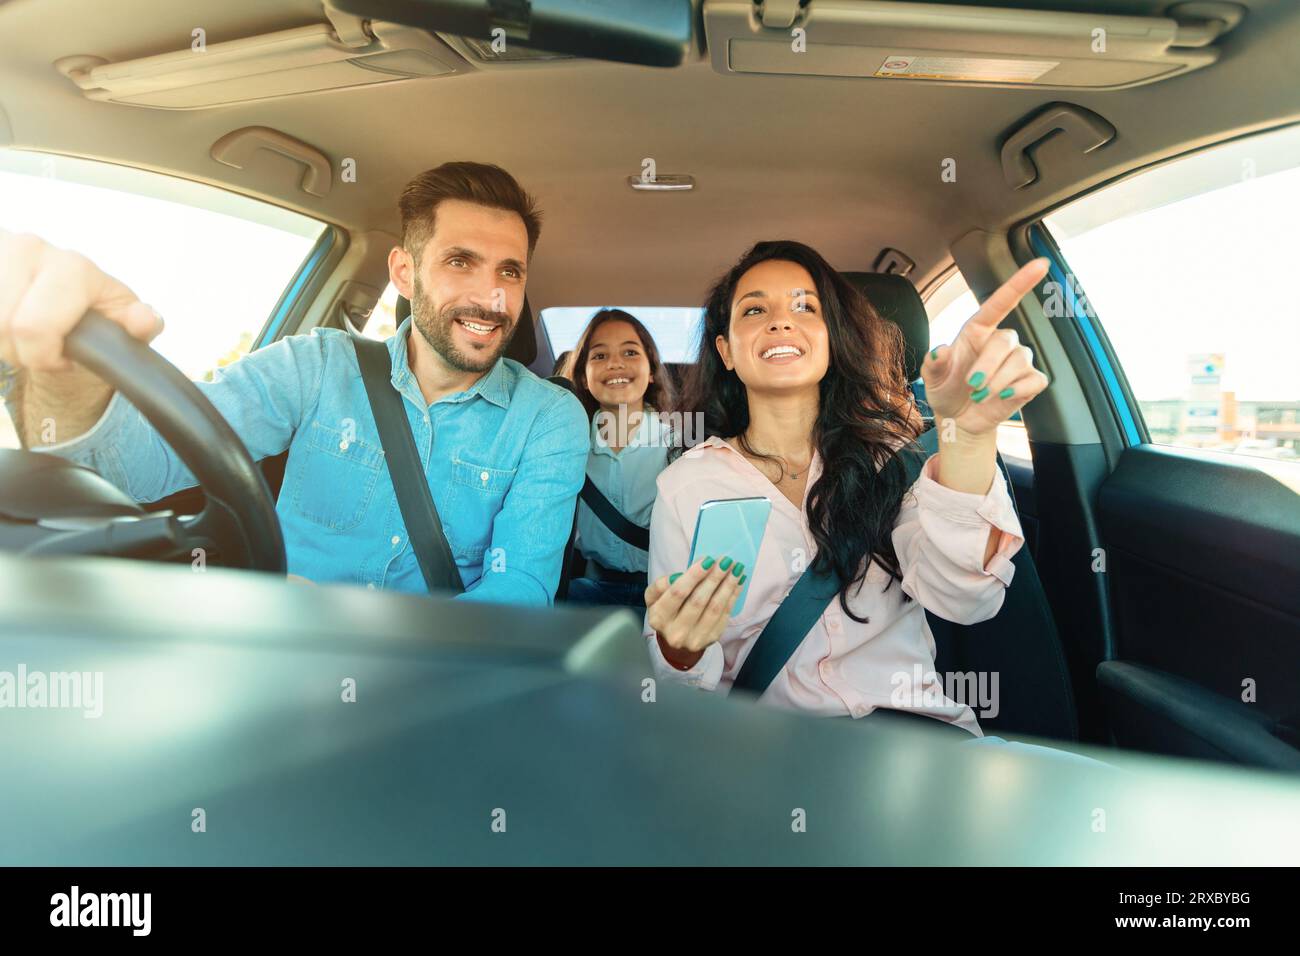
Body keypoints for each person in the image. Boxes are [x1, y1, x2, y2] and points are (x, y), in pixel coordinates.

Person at [0, 162, 588, 604]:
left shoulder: (547, 417)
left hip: (440, 689)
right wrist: (66, 372)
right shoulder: (314, 367)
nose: (491, 297)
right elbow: (129, 472)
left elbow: (520, 591)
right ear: (405, 273)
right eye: (460, 262)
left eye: (509, 272)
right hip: (281, 670)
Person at [642, 239, 1052, 740]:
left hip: (912, 739)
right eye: (754, 310)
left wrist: (965, 437)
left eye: (804, 306)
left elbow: (965, 600)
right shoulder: (686, 483)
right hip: (764, 749)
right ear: (726, 351)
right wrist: (679, 651)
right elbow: (674, 685)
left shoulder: (895, 457)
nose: (780, 321)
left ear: (832, 337)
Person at [565, 309, 675, 608]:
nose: (615, 364)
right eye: (599, 356)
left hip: (663, 593)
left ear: (651, 371)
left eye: (630, 352)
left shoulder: (682, 447)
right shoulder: (564, 447)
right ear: (584, 378)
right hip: (588, 590)